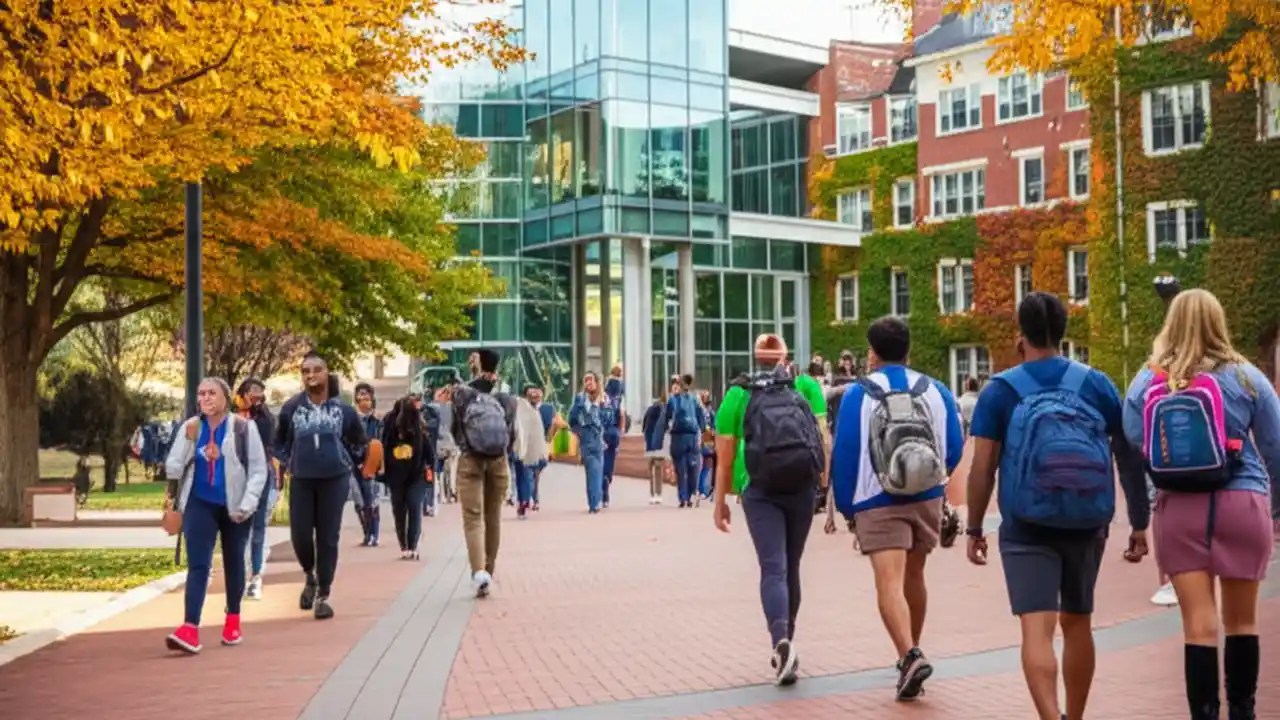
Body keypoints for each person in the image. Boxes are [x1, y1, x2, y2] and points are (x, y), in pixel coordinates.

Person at [964, 293, 1147, 720]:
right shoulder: (1095, 383)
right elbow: (1127, 454)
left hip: (1026, 525)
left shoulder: (1001, 391)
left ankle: (1050, 717)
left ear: (1020, 336)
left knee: (1037, 627)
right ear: (1063, 333)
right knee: (1078, 621)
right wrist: (1139, 520)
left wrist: (974, 527)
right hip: (1086, 520)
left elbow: (982, 467)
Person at [1121, 289, 1278, 720]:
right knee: (1243, 622)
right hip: (1243, 500)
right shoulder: (1247, 376)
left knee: (1198, 624)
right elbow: (1275, 445)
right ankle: (1243, 713)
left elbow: (1134, 435)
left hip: (1180, 509)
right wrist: (1276, 511)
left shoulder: (1149, 378)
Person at [829, 317, 964, 702]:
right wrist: (934, 481)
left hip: (877, 498)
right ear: (909, 349)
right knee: (915, 576)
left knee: (889, 581)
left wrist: (846, 507)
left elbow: (846, 452)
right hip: (925, 496)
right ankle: (912, 650)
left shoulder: (858, 394)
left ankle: (908, 654)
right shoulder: (935, 389)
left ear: (871, 353)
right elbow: (953, 447)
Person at [713, 334, 829, 686]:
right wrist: (822, 484)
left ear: (755, 358)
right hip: (801, 487)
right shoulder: (806, 386)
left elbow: (724, 456)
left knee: (772, 567)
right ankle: (788, 641)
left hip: (759, 489)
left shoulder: (738, 393)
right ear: (783, 357)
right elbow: (822, 437)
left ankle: (780, 640)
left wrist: (720, 501)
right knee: (791, 565)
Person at [164, 378, 269, 653]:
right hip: (199, 502)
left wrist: (248, 504)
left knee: (235, 561)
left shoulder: (244, 427)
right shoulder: (191, 427)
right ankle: (189, 628)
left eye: (212, 393)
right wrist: (189, 444)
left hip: (234, 506)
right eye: (201, 394)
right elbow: (173, 468)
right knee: (198, 564)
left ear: (226, 397)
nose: (206, 398)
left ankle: (233, 619)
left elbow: (259, 470)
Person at [275, 352, 368, 620]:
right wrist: (288, 461)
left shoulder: (344, 410)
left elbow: (359, 441)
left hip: (334, 479)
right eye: (305, 371)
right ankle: (310, 575)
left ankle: (324, 594)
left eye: (316, 370)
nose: (310, 375)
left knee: (328, 537)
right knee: (301, 535)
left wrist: (348, 460)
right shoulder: (292, 408)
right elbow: (279, 441)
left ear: (326, 373)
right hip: (302, 478)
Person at [451, 349, 517, 598]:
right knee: (494, 517)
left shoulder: (463, 395)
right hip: (498, 461)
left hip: (471, 459)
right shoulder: (506, 399)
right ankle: (489, 571)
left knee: (473, 517)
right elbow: (511, 435)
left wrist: (466, 446)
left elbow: (455, 428)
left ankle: (478, 573)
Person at [235, 377, 279, 601]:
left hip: (261, 476)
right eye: (253, 391)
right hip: (235, 478)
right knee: (237, 527)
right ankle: (239, 574)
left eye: (261, 392)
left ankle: (256, 576)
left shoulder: (265, 419)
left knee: (258, 527)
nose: (258, 396)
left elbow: (267, 446)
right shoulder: (231, 417)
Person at [381, 397, 432, 560]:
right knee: (409, 509)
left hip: (407, 478)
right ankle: (409, 546)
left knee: (405, 509)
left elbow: (429, 455)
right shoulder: (396, 429)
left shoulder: (418, 430)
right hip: (406, 477)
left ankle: (408, 546)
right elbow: (430, 457)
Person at [569, 372, 610, 513]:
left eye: (591, 380)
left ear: (597, 382)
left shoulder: (603, 398)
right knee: (594, 470)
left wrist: (602, 406)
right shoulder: (580, 399)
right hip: (586, 439)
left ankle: (594, 501)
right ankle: (594, 504)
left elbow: (609, 419)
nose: (588, 383)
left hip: (599, 439)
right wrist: (579, 431)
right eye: (586, 380)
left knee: (596, 472)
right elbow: (572, 419)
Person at [666, 376, 706, 508]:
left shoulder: (673, 399)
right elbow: (701, 416)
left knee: (681, 469)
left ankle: (683, 497)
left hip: (678, 437)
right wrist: (702, 431)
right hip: (692, 436)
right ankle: (690, 495)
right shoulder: (695, 399)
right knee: (692, 467)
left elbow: (667, 416)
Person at [353, 383, 384, 547]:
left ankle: (374, 534)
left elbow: (381, 443)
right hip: (355, 466)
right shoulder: (352, 420)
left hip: (373, 465)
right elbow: (348, 442)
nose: (364, 400)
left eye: (367, 397)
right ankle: (366, 532)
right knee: (360, 502)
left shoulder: (378, 422)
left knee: (372, 501)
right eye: (360, 397)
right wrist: (357, 461)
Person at [512, 388, 550, 519]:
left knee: (523, 477)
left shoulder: (521, 411)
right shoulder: (531, 412)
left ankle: (524, 501)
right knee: (527, 477)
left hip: (524, 450)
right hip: (527, 451)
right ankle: (525, 501)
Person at [527, 385, 557, 511]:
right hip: (527, 444)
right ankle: (531, 497)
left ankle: (533, 496)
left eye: (538, 393)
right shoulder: (525, 408)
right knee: (529, 473)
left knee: (536, 472)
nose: (536, 395)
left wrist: (549, 441)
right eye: (533, 393)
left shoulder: (548, 408)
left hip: (541, 443)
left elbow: (555, 424)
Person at [602, 367, 626, 509]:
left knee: (602, 460)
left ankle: (603, 488)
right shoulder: (620, 396)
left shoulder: (604, 395)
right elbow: (622, 414)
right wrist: (621, 430)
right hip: (614, 433)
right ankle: (607, 478)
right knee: (610, 459)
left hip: (602, 433)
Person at [432, 384, 460, 506]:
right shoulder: (455, 408)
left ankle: (443, 494)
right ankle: (452, 492)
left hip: (441, 442)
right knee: (452, 470)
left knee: (441, 469)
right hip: (451, 442)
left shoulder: (434, 408)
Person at [642, 394, 668, 505]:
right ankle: (658, 494)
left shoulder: (650, 410)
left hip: (649, 443)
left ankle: (653, 494)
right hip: (659, 443)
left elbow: (644, 426)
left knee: (651, 468)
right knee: (658, 468)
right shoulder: (664, 411)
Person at [698, 389, 716, 501]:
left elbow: (714, 427)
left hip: (706, 440)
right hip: (704, 440)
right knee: (705, 466)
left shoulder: (704, 411)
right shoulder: (707, 411)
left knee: (705, 466)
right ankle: (702, 490)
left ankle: (702, 490)